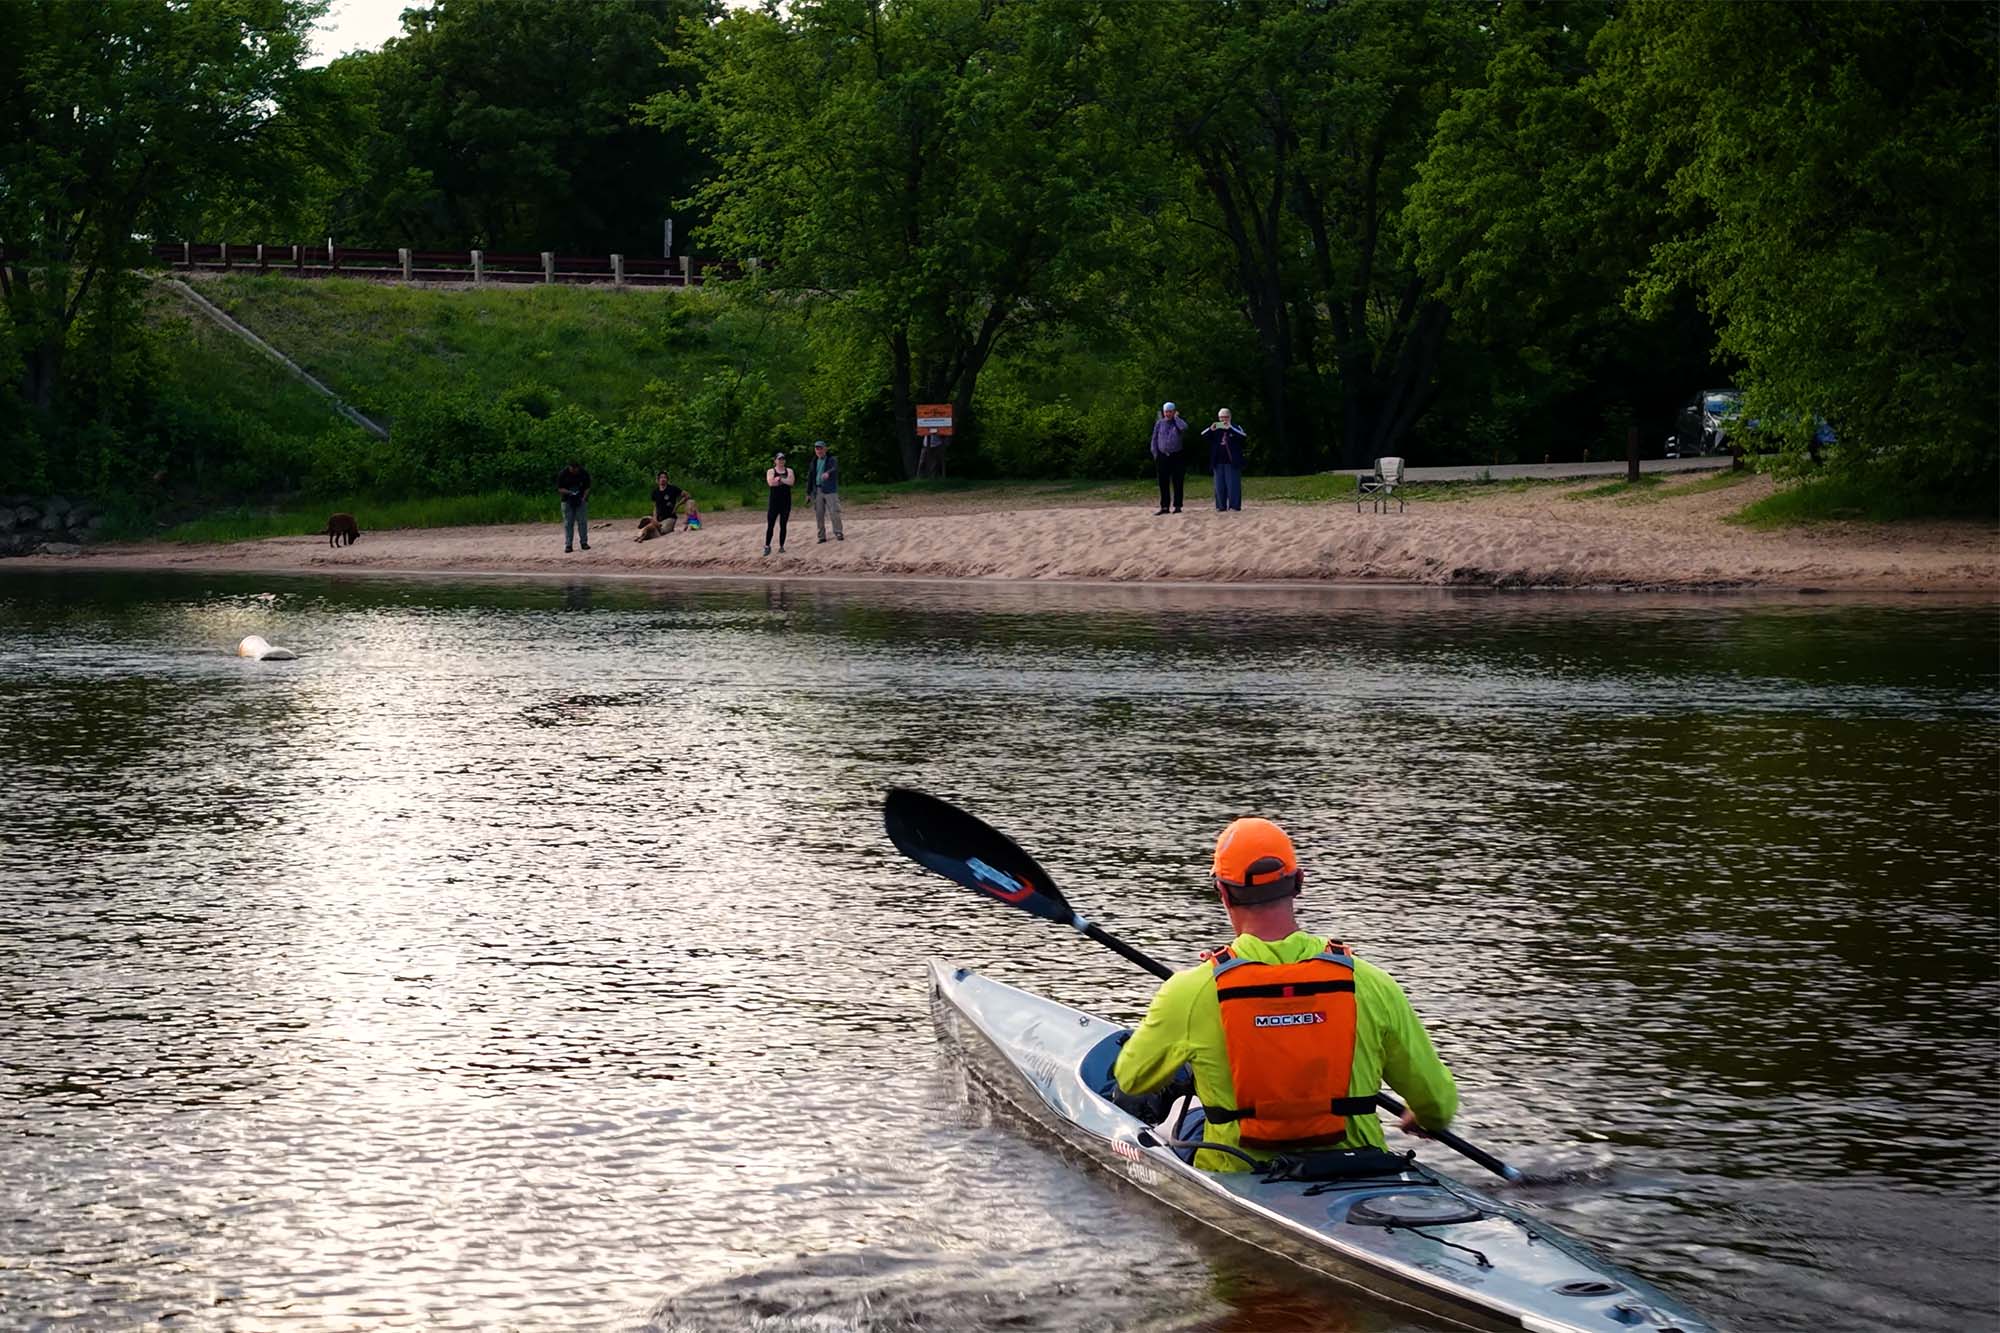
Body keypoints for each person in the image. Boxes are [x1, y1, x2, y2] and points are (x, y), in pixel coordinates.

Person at [1109, 816, 1458, 1173]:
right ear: (1299, 882)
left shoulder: (1190, 992)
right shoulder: (1371, 983)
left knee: (1188, 1124)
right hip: (1357, 1168)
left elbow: (1131, 1079)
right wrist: (1425, 1116)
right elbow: (1439, 1104)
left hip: (1238, 1170)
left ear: (1224, 893)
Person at [1203, 408, 1247, 511]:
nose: (1223, 420)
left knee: (1233, 485)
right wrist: (1211, 429)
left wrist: (1230, 427)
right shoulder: (1216, 428)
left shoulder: (1235, 427)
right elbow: (1203, 435)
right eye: (1221, 417)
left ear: (1230, 417)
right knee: (1219, 486)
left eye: (1225, 417)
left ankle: (1234, 506)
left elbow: (1243, 436)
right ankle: (1221, 506)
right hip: (1217, 462)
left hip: (1232, 462)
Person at [1149, 402, 1189, 514]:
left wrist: (1176, 418)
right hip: (1162, 456)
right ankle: (1164, 507)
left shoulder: (1177, 423)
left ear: (1174, 411)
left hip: (1177, 455)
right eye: (1166, 411)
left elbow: (1184, 428)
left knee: (1178, 481)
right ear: (1163, 412)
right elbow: (1154, 439)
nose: (1168, 414)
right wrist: (1155, 453)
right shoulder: (1159, 423)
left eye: (1170, 411)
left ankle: (1177, 506)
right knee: (1163, 482)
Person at [806, 439, 844, 543]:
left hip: (830, 490)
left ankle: (838, 532)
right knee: (819, 514)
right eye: (817, 448)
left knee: (834, 512)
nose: (819, 450)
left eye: (821, 448)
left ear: (825, 449)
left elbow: (834, 468)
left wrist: (828, 473)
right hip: (817, 490)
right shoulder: (814, 461)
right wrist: (808, 492)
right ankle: (821, 536)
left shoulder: (831, 459)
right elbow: (810, 477)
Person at [555, 460, 591, 552]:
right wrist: (570, 493)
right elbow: (560, 488)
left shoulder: (583, 473)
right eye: (572, 469)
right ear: (569, 467)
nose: (574, 471)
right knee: (568, 523)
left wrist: (584, 498)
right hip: (567, 500)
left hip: (581, 500)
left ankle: (584, 543)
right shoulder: (563, 474)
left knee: (582, 522)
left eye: (576, 469)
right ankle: (568, 545)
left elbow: (587, 487)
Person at [763, 451, 794, 556]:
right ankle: (767, 546)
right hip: (774, 502)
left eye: (782, 459)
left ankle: (781, 546)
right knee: (770, 524)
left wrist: (780, 479)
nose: (781, 461)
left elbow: (791, 482)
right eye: (779, 459)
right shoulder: (770, 471)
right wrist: (783, 480)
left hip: (786, 502)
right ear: (775, 461)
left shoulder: (789, 470)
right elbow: (771, 483)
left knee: (783, 524)